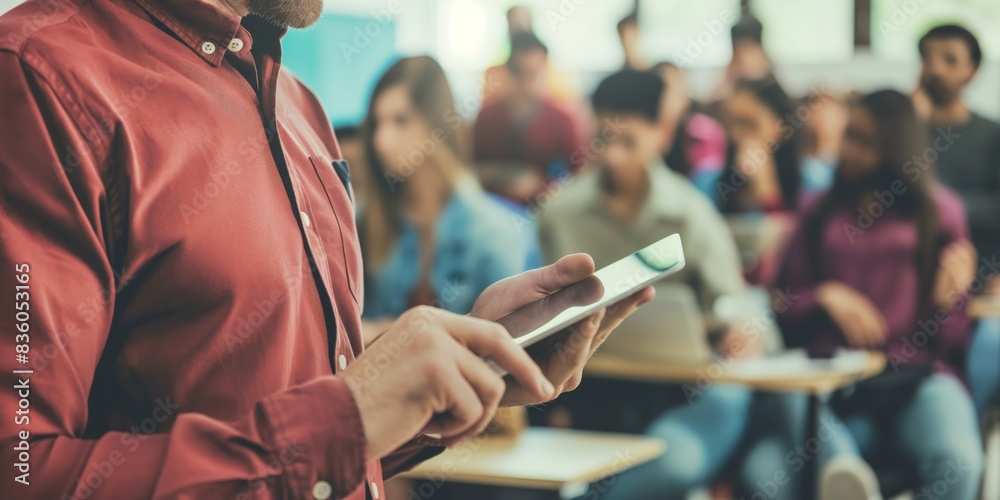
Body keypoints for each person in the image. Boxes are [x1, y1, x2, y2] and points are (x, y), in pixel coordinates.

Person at [0, 0, 653, 497]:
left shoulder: (297, 108)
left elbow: (313, 430)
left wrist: (458, 367)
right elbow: (19, 469)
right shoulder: (42, 79)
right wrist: (344, 419)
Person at [537, 70, 770, 500]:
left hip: (685, 392)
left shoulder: (689, 213)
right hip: (595, 388)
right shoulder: (561, 213)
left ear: (659, 135)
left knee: (676, 459)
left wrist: (738, 327)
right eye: (603, 140)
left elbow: (735, 300)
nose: (613, 157)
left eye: (628, 142)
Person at [752, 90, 983, 500]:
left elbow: (954, 340)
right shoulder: (818, 208)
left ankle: (843, 471)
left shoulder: (940, 214)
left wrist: (948, 303)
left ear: (898, 149)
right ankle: (844, 469)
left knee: (959, 463)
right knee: (762, 475)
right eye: (849, 136)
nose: (851, 152)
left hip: (916, 377)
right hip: (827, 381)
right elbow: (782, 304)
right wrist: (825, 296)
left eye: (867, 142)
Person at [358, 56, 537, 327]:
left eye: (401, 120)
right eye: (377, 123)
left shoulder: (492, 231)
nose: (381, 140)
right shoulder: (365, 220)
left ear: (436, 125)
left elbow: (509, 336)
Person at [916, 24, 1000, 418]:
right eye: (928, 58)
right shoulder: (905, 138)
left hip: (985, 285)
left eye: (949, 60)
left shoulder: (992, 136)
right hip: (917, 289)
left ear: (972, 71)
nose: (936, 69)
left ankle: (966, 426)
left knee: (991, 342)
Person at [474, 31, 586, 203]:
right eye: (520, 72)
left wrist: (540, 185)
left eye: (535, 73)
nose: (528, 83)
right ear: (508, 71)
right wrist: (502, 177)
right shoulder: (487, 117)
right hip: (493, 206)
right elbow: (470, 172)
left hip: (546, 207)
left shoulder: (562, 120)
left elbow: (579, 177)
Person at [716, 78, 804, 214]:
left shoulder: (810, 181)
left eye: (748, 124)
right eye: (732, 122)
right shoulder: (709, 181)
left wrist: (766, 188)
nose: (736, 135)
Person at [652, 61, 727, 197]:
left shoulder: (703, 132)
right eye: (664, 89)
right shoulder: (641, 133)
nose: (668, 97)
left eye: (676, 89)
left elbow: (706, 184)